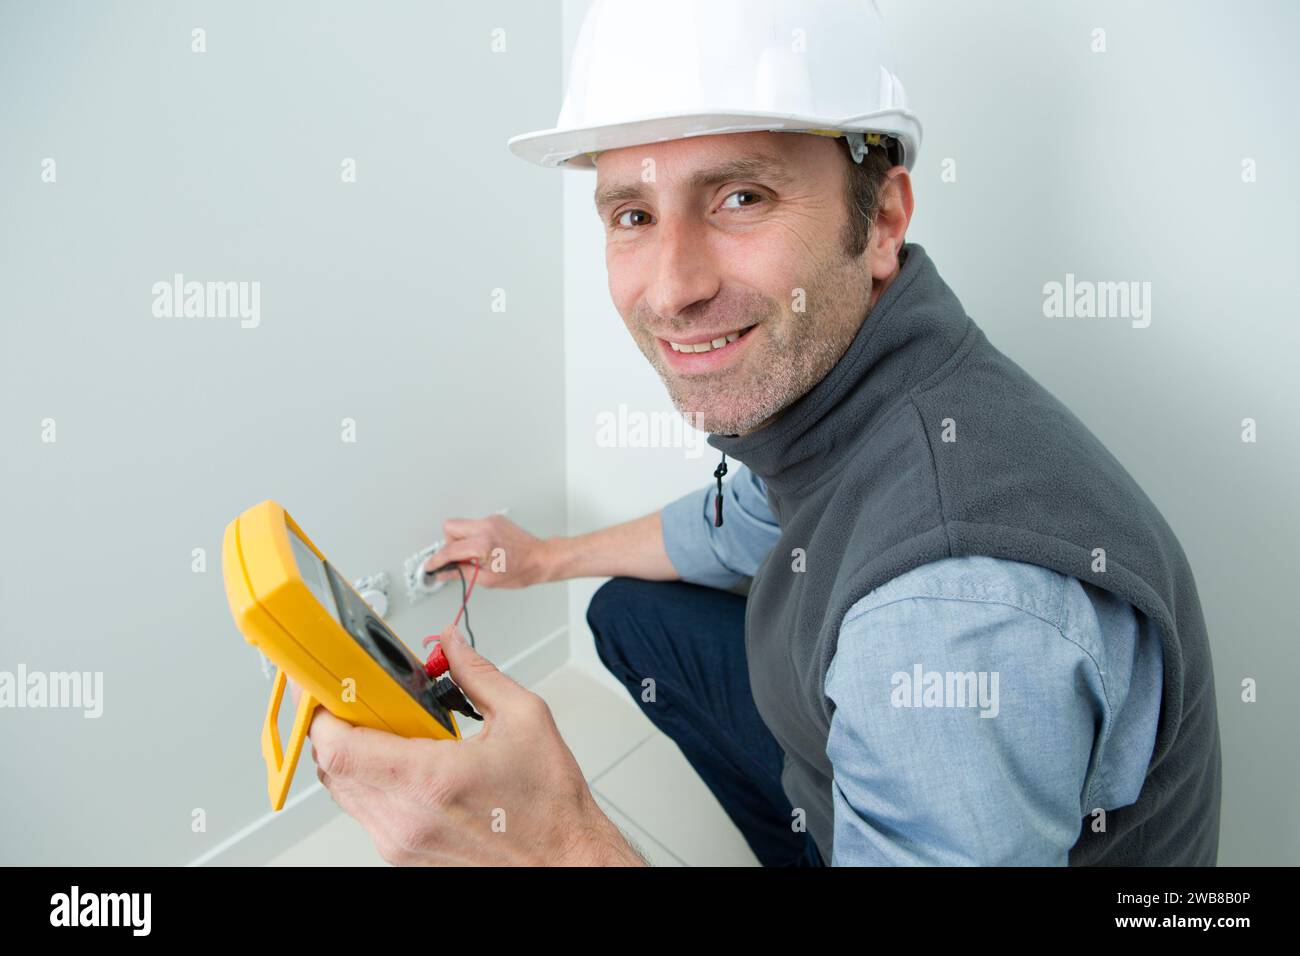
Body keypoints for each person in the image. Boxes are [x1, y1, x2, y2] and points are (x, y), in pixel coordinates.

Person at [306, 0, 1221, 866]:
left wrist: (556, 843)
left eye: (740, 197)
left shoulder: (944, 622)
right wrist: (543, 558)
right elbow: (741, 523)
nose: (671, 290)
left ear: (882, 221)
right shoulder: (865, 385)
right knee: (629, 613)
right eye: (633, 215)